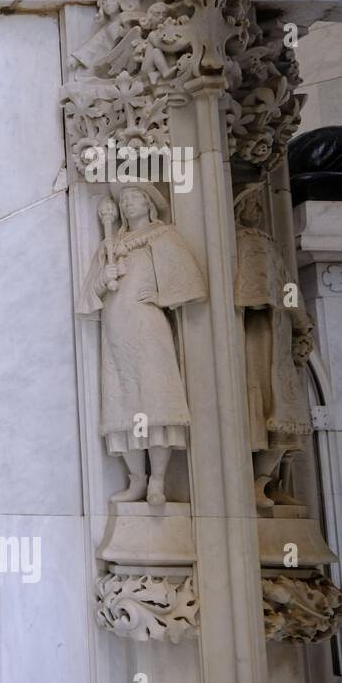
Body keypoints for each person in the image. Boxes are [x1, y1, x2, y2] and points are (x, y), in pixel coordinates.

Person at [77, 180, 207, 504]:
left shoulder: (161, 237)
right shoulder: (111, 246)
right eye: (125, 199)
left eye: (136, 197)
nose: (129, 203)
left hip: (148, 327)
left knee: (153, 400)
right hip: (116, 331)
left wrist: (163, 295)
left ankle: (158, 481)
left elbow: (189, 280)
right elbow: (90, 293)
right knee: (124, 402)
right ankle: (137, 479)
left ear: (149, 204)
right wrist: (104, 280)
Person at [233, 182, 313, 508]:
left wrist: (299, 320)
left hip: (276, 331)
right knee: (263, 404)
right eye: (250, 203)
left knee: (283, 406)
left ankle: (272, 479)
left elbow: (285, 286)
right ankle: (255, 481)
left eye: (258, 203)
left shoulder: (268, 243)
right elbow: (253, 291)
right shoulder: (244, 243)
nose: (257, 209)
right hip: (257, 333)